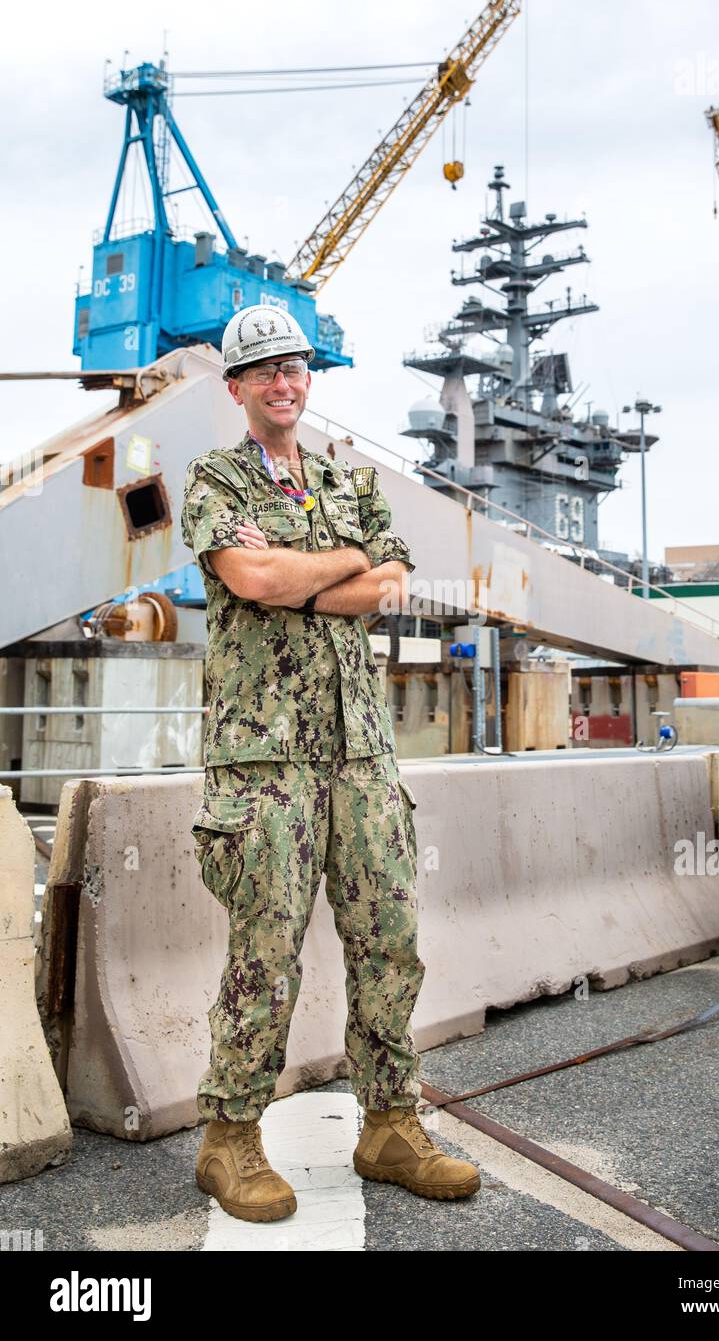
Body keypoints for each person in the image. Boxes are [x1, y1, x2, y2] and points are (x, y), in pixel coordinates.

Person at [181, 304, 480, 1222]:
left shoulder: (353, 483)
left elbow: (388, 582)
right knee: (265, 951)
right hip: (263, 759)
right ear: (236, 387)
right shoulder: (213, 480)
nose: (284, 381)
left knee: (390, 940)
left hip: (362, 753)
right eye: (265, 369)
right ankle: (230, 1139)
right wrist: (328, 578)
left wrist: (314, 573)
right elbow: (252, 580)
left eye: (297, 366)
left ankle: (391, 1123)